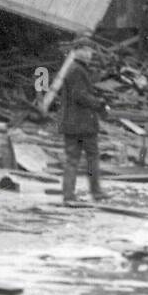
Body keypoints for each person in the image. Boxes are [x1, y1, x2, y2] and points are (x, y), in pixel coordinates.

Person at [59, 41, 108, 202]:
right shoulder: (77, 70)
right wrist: (99, 103)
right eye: (85, 51)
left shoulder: (76, 69)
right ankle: (95, 192)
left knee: (73, 159)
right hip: (83, 124)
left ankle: (70, 195)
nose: (89, 54)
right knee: (90, 157)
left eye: (90, 51)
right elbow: (80, 95)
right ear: (76, 51)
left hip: (73, 123)